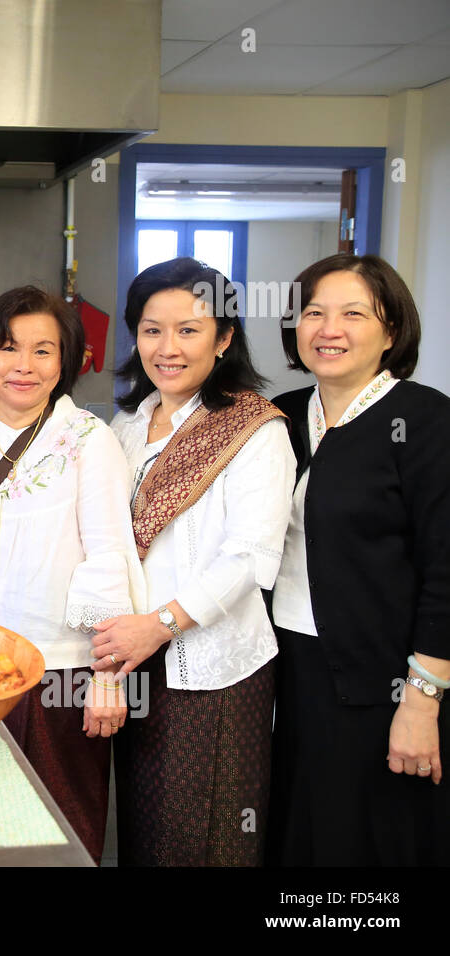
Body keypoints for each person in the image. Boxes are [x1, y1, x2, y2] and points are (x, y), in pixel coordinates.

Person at [96, 257, 294, 866]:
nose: (168, 347)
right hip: (134, 664)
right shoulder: (125, 428)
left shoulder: (253, 430)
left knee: (203, 840)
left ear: (225, 337)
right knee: (145, 834)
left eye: (190, 329)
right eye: (152, 329)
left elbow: (250, 559)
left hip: (211, 672)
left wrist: (158, 626)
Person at [268, 254, 450, 866]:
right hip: (288, 667)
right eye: (314, 312)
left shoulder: (427, 423)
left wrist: (422, 702)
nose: (329, 329)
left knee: (371, 838)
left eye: (353, 313)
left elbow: (446, 574)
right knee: (297, 827)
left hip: (385, 680)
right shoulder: (282, 417)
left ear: (391, 331)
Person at [0, 286, 144, 865]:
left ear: (66, 361)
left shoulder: (89, 439)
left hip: (58, 669)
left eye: (43, 350)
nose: (23, 366)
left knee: (61, 822)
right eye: (7, 347)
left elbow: (110, 554)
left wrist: (109, 676)